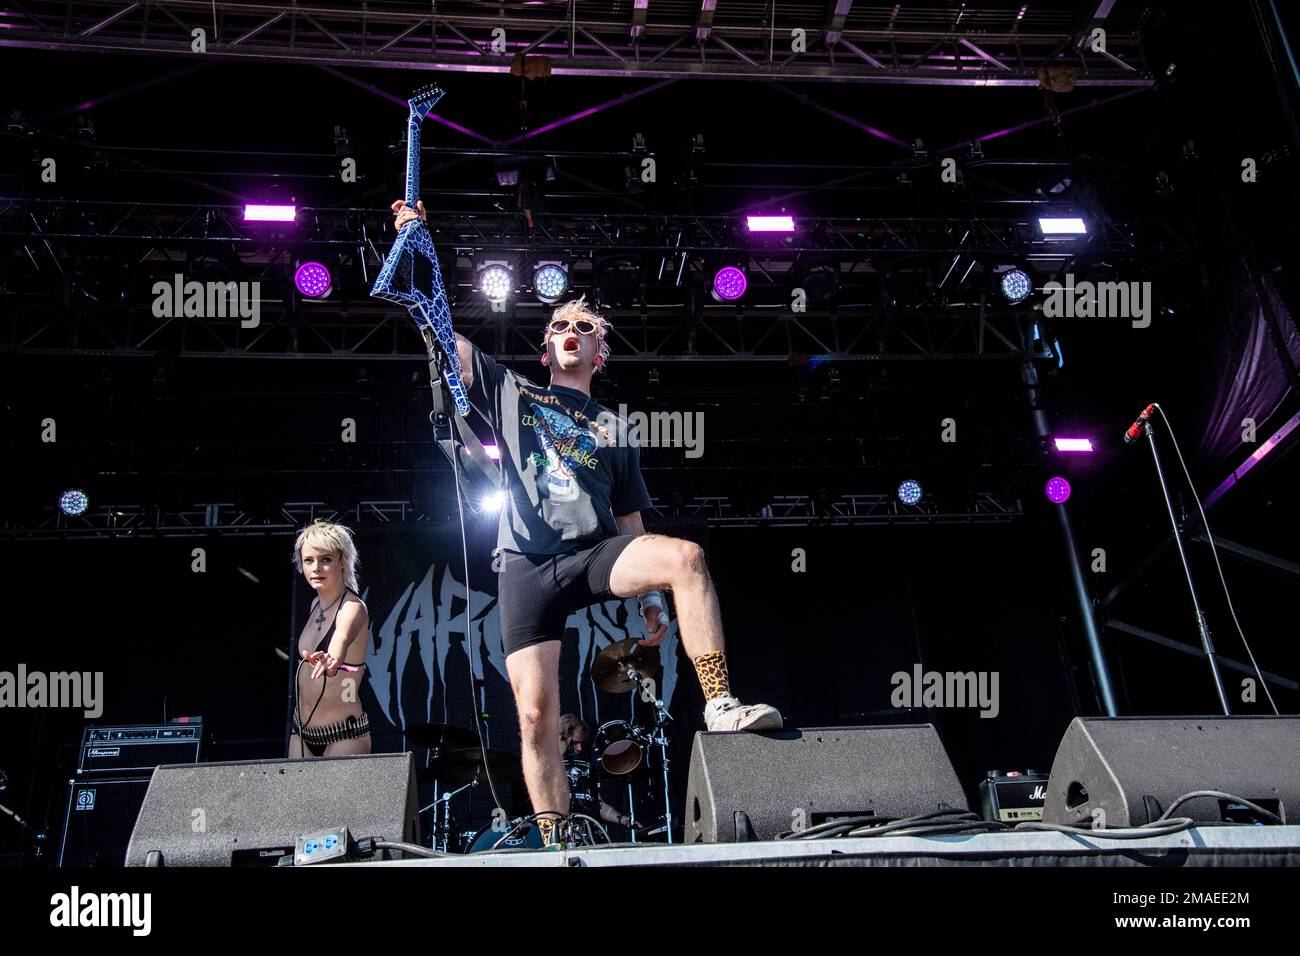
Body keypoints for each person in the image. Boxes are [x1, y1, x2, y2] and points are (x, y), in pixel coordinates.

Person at [392, 200, 781, 847]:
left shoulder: (614, 428)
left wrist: (653, 595)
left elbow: (630, 522)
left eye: (586, 326)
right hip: (525, 567)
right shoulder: (515, 392)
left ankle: (719, 703)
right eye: (560, 325)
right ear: (546, 349)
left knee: (685, 557)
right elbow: (442, 335)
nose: (571, 330)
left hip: (596, 555)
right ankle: (555, 843)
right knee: (537, 716)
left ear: (600, 352)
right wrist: (417, 243)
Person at [289, 520, 372, 758]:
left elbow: (341, 639)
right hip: (302, 733)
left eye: (325, 559)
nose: (316, 568)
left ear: (342, 561)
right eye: (308, 560)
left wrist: (332, 658)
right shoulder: (315, 605)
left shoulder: (353, 607)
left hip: (344, 734)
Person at [559, 715, 635, 834]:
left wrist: (623, 820)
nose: (579, 748)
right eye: (575, 742)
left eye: (581, 743)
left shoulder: (584, 767)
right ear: (561, 737)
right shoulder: (546, 765)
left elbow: (599, 804)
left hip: (583, 832)